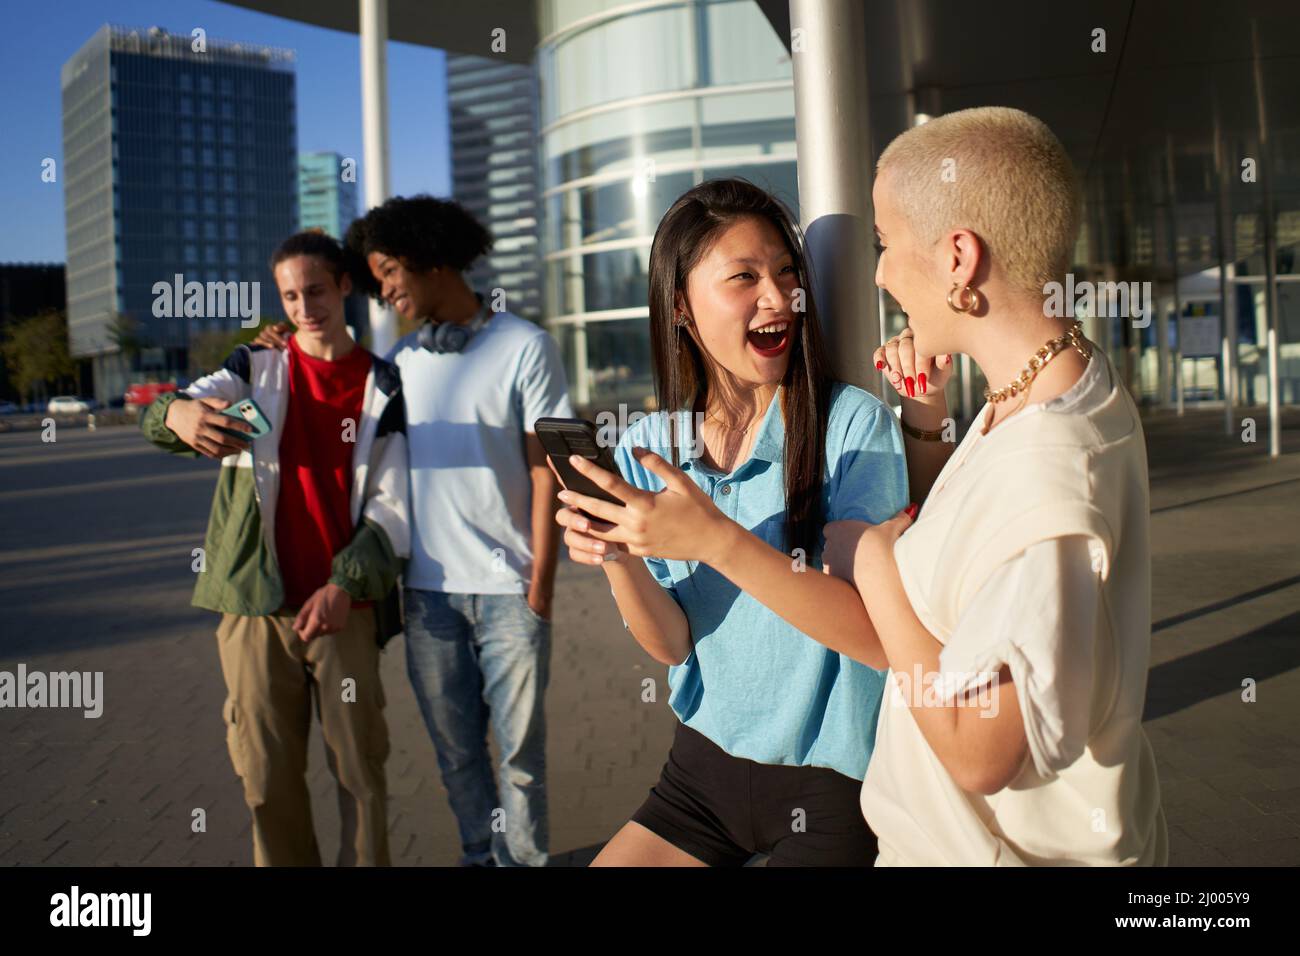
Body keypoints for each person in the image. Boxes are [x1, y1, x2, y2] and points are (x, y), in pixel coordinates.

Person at [822, 106, 1168, 865]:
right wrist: (933, 408)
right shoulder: (1058, 382)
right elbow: (977, 564)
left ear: (958, 258)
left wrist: (875, 567)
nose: (879, 272)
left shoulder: (1048, 462)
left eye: (886, 243)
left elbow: (982, 748)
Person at [553, 178, 908, 866]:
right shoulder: (651, 444)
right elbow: (671, 644)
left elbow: (881, 639)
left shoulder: (852, 425)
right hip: (700, 771)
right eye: (743, 277)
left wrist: (715, 539)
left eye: (784, 273)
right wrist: (619, 556)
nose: (777, 298)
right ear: (681, 306)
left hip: (834, 780)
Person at [257, 196, 570, 867]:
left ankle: (523, 861)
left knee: (518, 753)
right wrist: (269, 353)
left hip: (511, 590)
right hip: (427, 596)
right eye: (376, 279)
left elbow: (548, 470)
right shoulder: (396, 365)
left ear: (433, 258)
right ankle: (476, 857)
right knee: (456, 754)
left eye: (392, 271)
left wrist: (542, 581)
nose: (387, 290)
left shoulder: (526, 345)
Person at [140, 230, 410, 866]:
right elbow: (179, 413)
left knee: (362, 780)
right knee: (265, 783)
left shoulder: (385, 383)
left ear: (345, 285)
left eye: (315, 289)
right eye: (290, 295)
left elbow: (392, 508)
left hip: (344, 609)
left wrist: (346, 585)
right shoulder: (252, 367)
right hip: (256, 610)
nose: (303, 306)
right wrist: (173, 413)